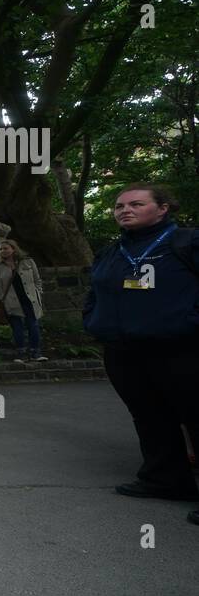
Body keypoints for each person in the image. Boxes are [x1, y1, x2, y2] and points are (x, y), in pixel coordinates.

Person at [84, 183, 199, 518]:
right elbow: (96, 292)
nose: (125, 210)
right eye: (119, 206)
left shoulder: (186, 242)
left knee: (196, 414)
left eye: (135, 204)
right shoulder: (111, 252)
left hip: (180, 348)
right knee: (149, 417)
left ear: (163, 208)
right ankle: (165, 479)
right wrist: (92, 320)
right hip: (124, 351)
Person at [0, 239, 47, 363]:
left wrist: (38, 292)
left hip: (30, 299)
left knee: (33, 325)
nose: (3, 251)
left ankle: (35, 352)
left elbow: (37, 280)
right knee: (17, 327)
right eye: (0, 249)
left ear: (13, 249)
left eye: (6, 248)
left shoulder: (28, 262)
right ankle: (21, 353)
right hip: (10, 301)